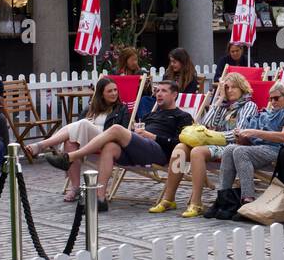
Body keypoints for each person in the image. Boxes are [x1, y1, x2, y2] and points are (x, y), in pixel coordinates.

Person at [53, 80, 194, 211]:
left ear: (174, 95)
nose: (158, 94)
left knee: (116, 129)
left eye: (164, 91)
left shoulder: (182, 116)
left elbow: (180, 143)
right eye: (157, 91)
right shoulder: (150, 115)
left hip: (158, 152)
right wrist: (135, 133)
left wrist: (154, 137)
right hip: (138, 149)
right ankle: (100, 198)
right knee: (109, 147)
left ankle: (71, 157)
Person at [150, 73, 259, 217]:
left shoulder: (249, 105)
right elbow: (206, 124)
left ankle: (196, 202)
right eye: (227, 88)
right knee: (180, 148)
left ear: (242, 88)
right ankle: (169, 198)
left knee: (197, 152)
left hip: (232, 147)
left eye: (234, 87)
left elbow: (240, 134)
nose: (230, 90)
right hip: (213, 143)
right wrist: (219, 100)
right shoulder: (223, 105)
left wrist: (211, 137)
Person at [25, 77, 130, 201]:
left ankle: (42, 145)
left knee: (83, 123)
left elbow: (123, 130)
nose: (114, 93)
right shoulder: (92, 108)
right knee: (70, 142)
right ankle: (75, 188)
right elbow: (75, 128)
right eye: (109, 91)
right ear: (101, 94)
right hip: (87, 140)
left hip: (106, 140)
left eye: (115, 90)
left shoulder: (121, 109)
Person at [208, 83, 284, 210]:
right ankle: (223, 198)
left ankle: (248, 199)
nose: (273, 102)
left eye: (276, 98)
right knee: (229, 149)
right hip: (260, 149)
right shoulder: (265, 114)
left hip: (281, 149)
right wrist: (243, 136)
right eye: (270, 99)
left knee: (240, 152)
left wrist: (254, 132)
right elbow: (250, 141)